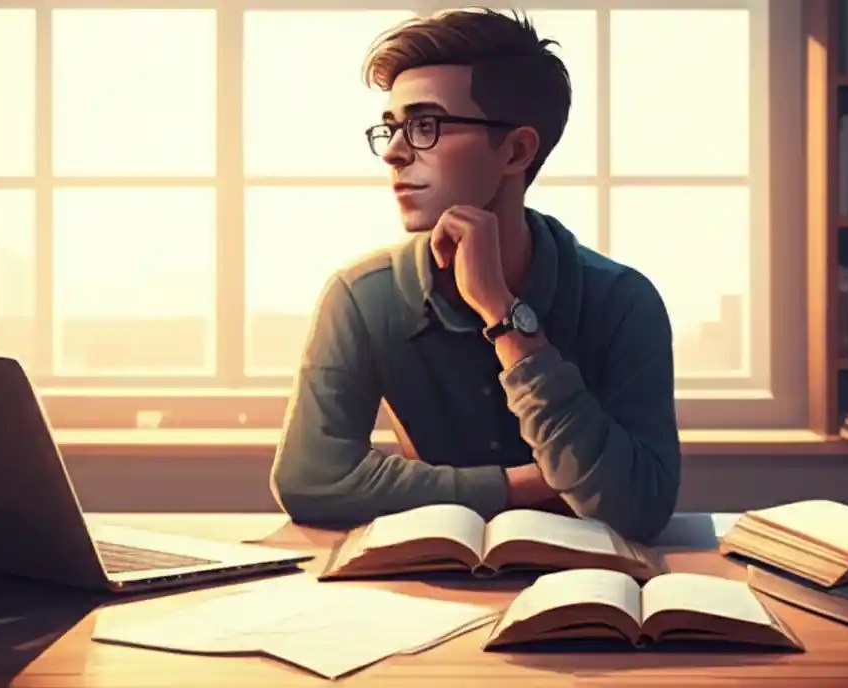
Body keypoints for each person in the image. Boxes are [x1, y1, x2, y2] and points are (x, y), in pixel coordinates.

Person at [268, 7, 681, 543]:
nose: (394, 153)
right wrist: (523, 486)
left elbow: (641, 505)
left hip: (590, 594)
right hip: (421, 589)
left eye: (425, 125)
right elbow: (311, 479)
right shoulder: (361, 296)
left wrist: (506, 318)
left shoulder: (623, 301)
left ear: (515, 150)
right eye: (391, 128)